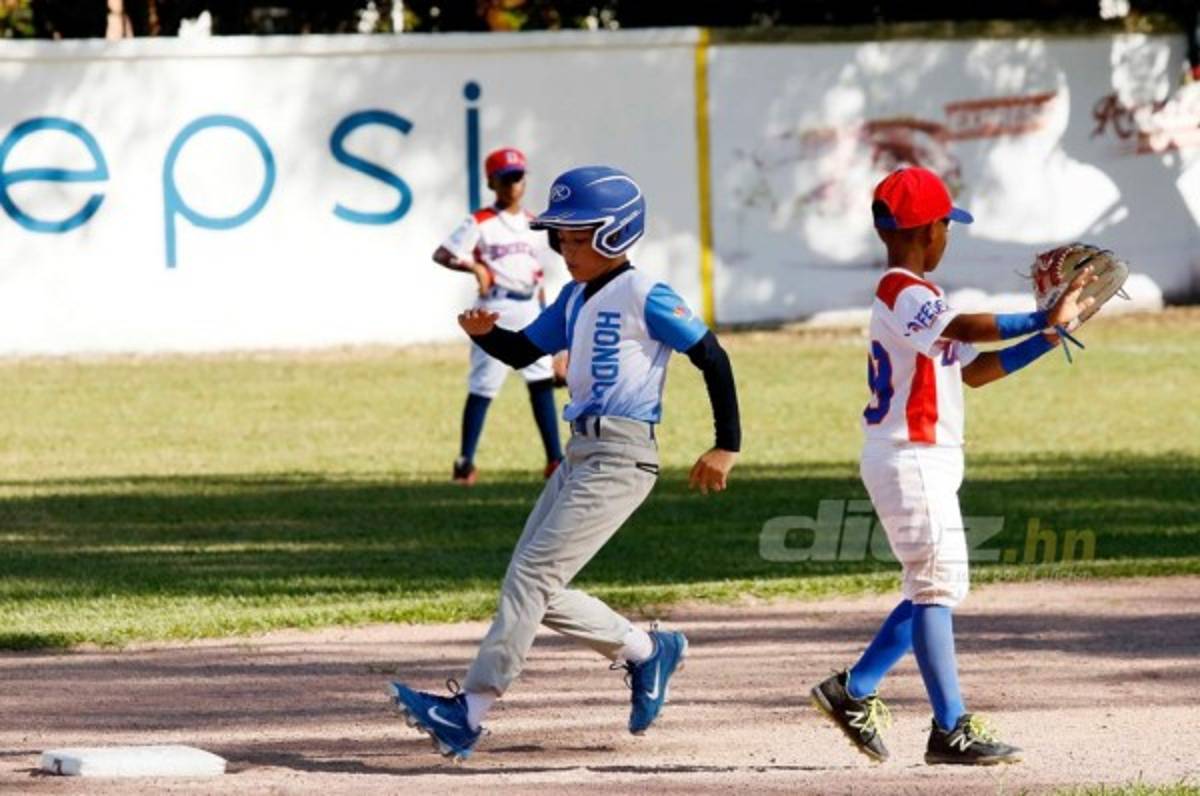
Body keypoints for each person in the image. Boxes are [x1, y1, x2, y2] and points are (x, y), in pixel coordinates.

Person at [391, 165, 742, 760]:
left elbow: (712, 356)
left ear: (615, 234)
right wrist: (485, 335)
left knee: (530, 580)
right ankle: (645, 652)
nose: (567, 249)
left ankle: (468, 712)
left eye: (580, 237)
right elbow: (528, 346)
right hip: (581, 452)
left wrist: (725, 444)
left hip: (622, 456)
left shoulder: (644, 293)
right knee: (533, 586)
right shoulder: (575, 297)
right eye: (562, 238)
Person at [810, 166, 1096, 766]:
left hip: (922, 457)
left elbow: (970, 368)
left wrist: (1043, 341)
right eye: (947, 225)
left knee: (931, 585)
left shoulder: (919, 297)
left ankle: (853, 689)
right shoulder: (901, 289)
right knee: (938, 583)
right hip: (908, 456)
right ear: (930, 228)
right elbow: (965, 328)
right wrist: (1039, 316)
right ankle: (950, 729)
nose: (948, 237)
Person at [432, 147, 563, 485]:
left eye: (517, 177)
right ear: (491, 181)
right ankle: (465, 462)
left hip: (530, 304)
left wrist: (548, 316)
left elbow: (539, 274)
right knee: (484, 385)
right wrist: (473, 265)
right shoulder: (480, 221)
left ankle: (555, 459)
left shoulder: (535, 224)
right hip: (496, 306)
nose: (512, 185)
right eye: (505, 178)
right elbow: (443, 253)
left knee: (541, 379)